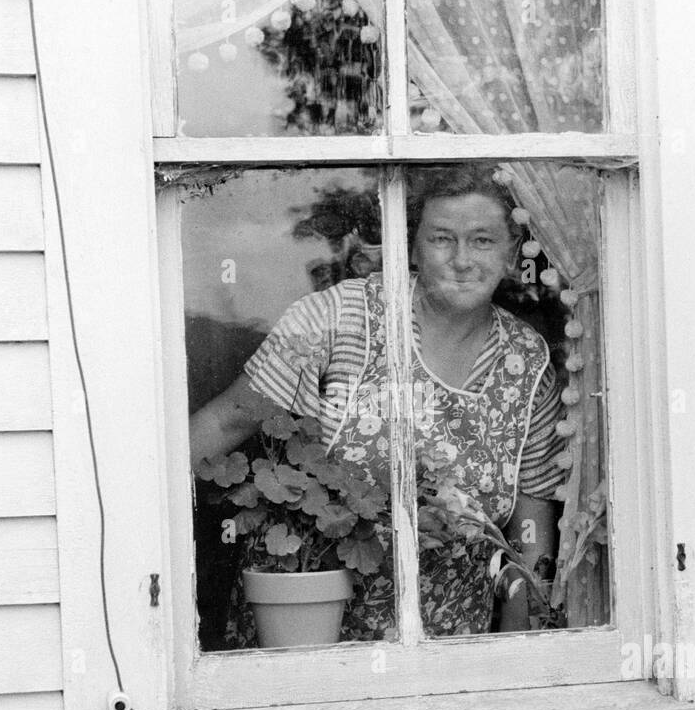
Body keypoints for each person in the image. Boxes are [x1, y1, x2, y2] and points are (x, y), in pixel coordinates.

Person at [189, 164, 567, 640]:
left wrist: (519, 657)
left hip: (448, 644)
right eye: (442, 239)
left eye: (483, 241)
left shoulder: (526, 359)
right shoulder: (337, 317)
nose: (463, 259)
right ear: (410, 246)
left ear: (513, 253)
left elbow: (529, 530)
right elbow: (226, 422)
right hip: (309, 634)